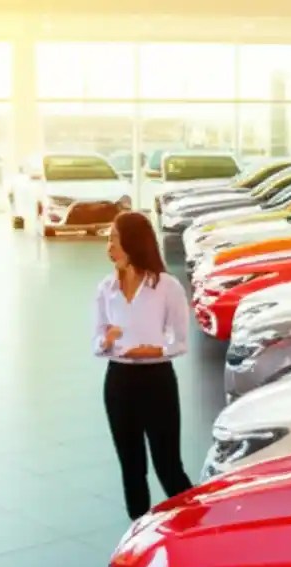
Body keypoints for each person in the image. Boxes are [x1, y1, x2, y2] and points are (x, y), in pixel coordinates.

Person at [94, 211, 194, 520]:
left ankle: (194, 527)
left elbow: (180, 341)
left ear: (133, 242)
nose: (109, 246)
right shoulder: (105, 289)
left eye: (114, 239)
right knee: (131, 466)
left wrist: (156, 350)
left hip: (157, 380)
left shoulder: (167, 287)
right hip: (118, 381)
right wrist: (106, 340)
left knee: (167, 464)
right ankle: (139, 537)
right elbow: (96, 341)